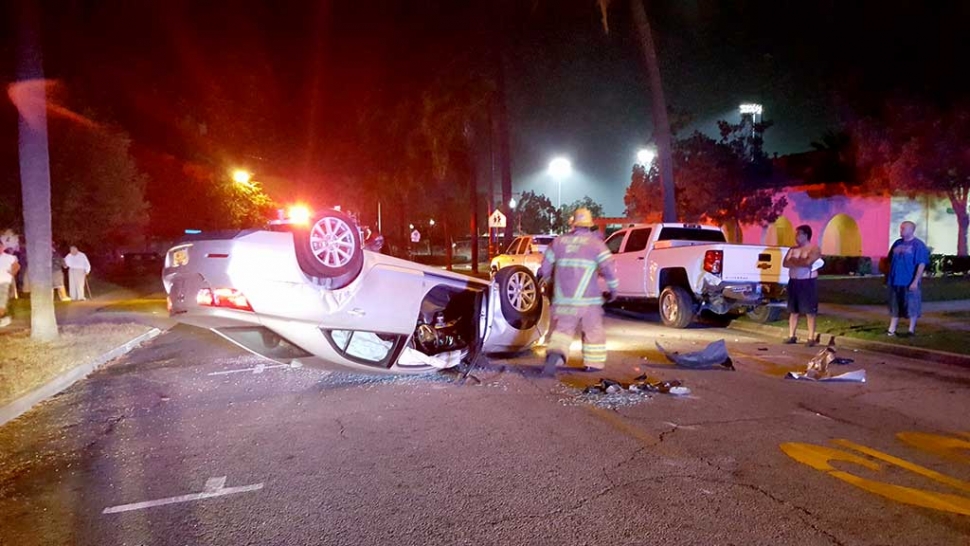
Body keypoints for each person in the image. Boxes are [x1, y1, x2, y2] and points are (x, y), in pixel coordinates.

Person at [539, 207, 619, 377]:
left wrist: (545, 280)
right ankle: (593, 364)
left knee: (563, 330)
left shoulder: (559, 242)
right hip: (588, 299)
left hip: (563, 299)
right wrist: (613, 289)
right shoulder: (596, 245)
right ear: (589, 225)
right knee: (593, 330)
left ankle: (556, 354)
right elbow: (609, 269)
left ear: (573, 224)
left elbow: (545, 268)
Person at [886, 221, 930, 337]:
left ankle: (911, 330)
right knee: (895, 306)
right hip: (895, 281)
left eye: (903, 228)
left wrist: (915, 281)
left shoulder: (918, 245)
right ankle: (891, 329)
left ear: (911, 230)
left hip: (909, 281)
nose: (901, 230)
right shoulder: (897, 243)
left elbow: (921, 264)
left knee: (912, 305)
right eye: (901, 228)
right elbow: (889, 260)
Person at [782, 225, 822, 347]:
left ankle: (811, 338)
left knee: (810, 311)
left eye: (799, 234)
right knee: (793, 310)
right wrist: (797, 261)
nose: (796, 237)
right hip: (794, 281)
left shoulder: (814, 249)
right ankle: (792, 335)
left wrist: (795, 260)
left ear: (806, 235)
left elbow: (807, 262)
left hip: (807, 282)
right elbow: (785, 263)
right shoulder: (792, 249)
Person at [0, 239, 20, 327]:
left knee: (2, 301)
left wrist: (12, 272)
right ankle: (5, 318)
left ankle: (3, 318)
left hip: (5, 282)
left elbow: (17, 266)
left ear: (3, 247)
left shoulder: (9, 257)